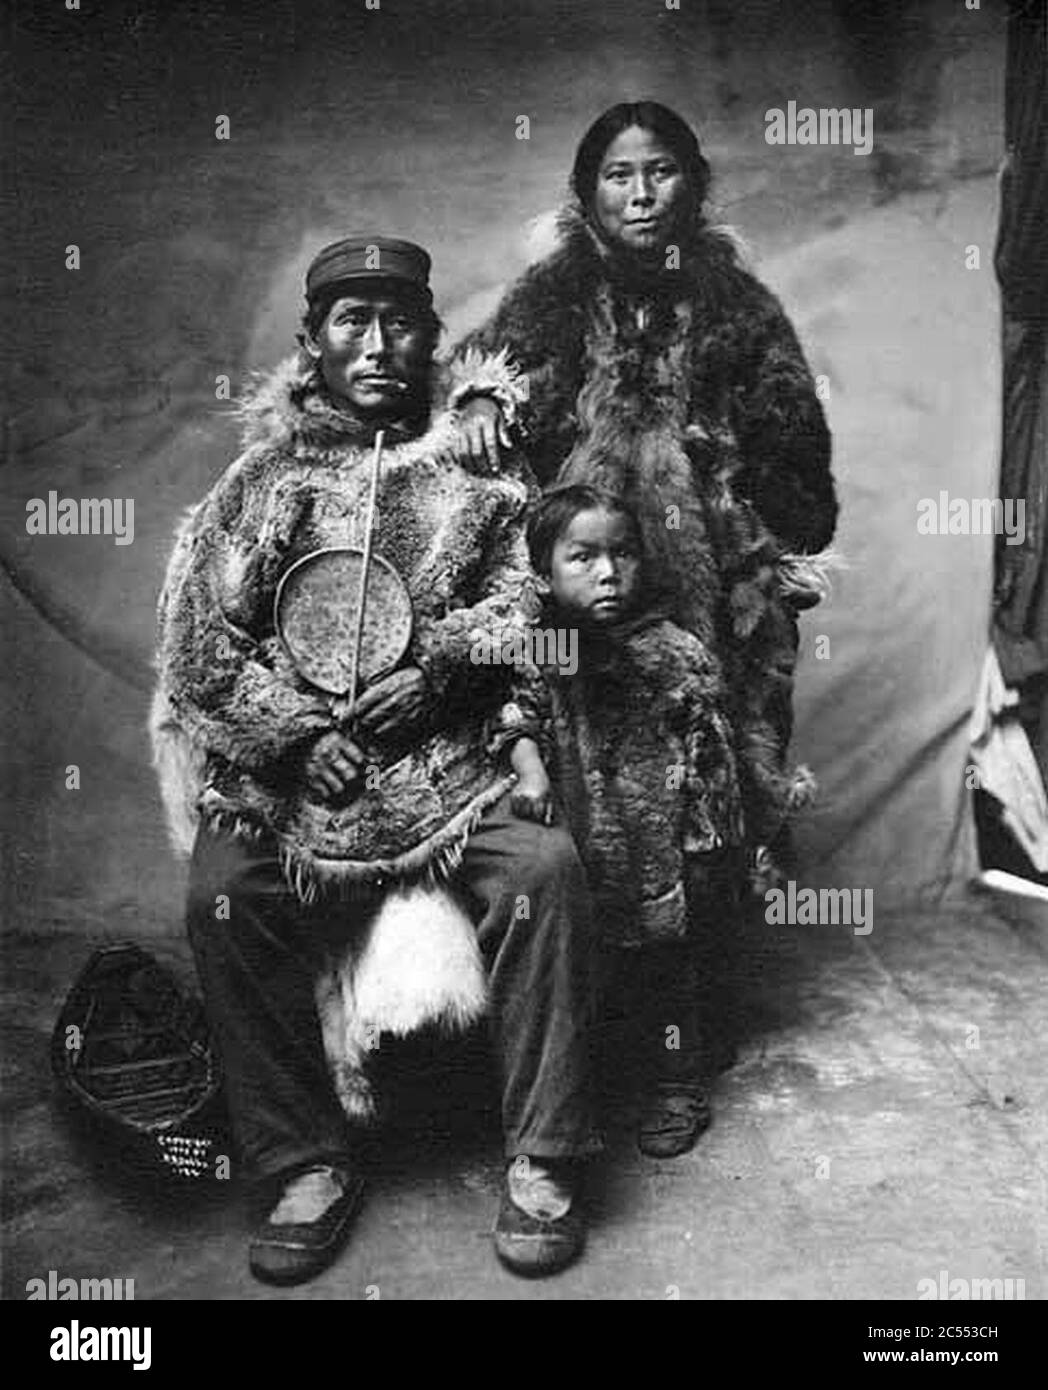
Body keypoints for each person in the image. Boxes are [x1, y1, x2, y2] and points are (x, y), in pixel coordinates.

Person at [151, 236, 601, 1285]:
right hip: (298, 777)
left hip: (449, 761)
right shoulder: (262, 481)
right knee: (223, 892)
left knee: (547, 875)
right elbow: (200, 647)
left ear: (433, 337)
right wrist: (300, 736)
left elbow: (526, 605)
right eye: (351, 320)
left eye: (399, 319)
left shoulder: (477, 473)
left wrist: (444, 669)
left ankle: (543, 1152)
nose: (378, 342)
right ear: (312, 344)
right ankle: (303, 1159)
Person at [454, 100, 839, 887]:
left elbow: (796, 450)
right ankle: (600, 974)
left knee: (710, 755)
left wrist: (748, 518)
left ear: (692, 187)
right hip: (579, 579)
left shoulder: (739, 306)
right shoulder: (550, 297)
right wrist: (483, 401)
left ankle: (702, 975)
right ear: (586, 192)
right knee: (583, 760)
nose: (640, 195)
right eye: (618, 175)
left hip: (712, 582)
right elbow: (479, 379)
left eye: (660, 173)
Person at [497, 484, 746, 1157]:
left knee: (668, 976)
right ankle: (594, 1088)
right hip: (580, 854)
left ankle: (676, 1085)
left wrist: (705, 850)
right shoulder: (545, 651)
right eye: (582, 557)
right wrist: (532, 771)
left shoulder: (673, 652)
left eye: (624, 554)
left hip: (660, 856)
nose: (608, 573)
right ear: (544, 571)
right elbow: (516, 712)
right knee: (588, 978)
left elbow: (711, 762)